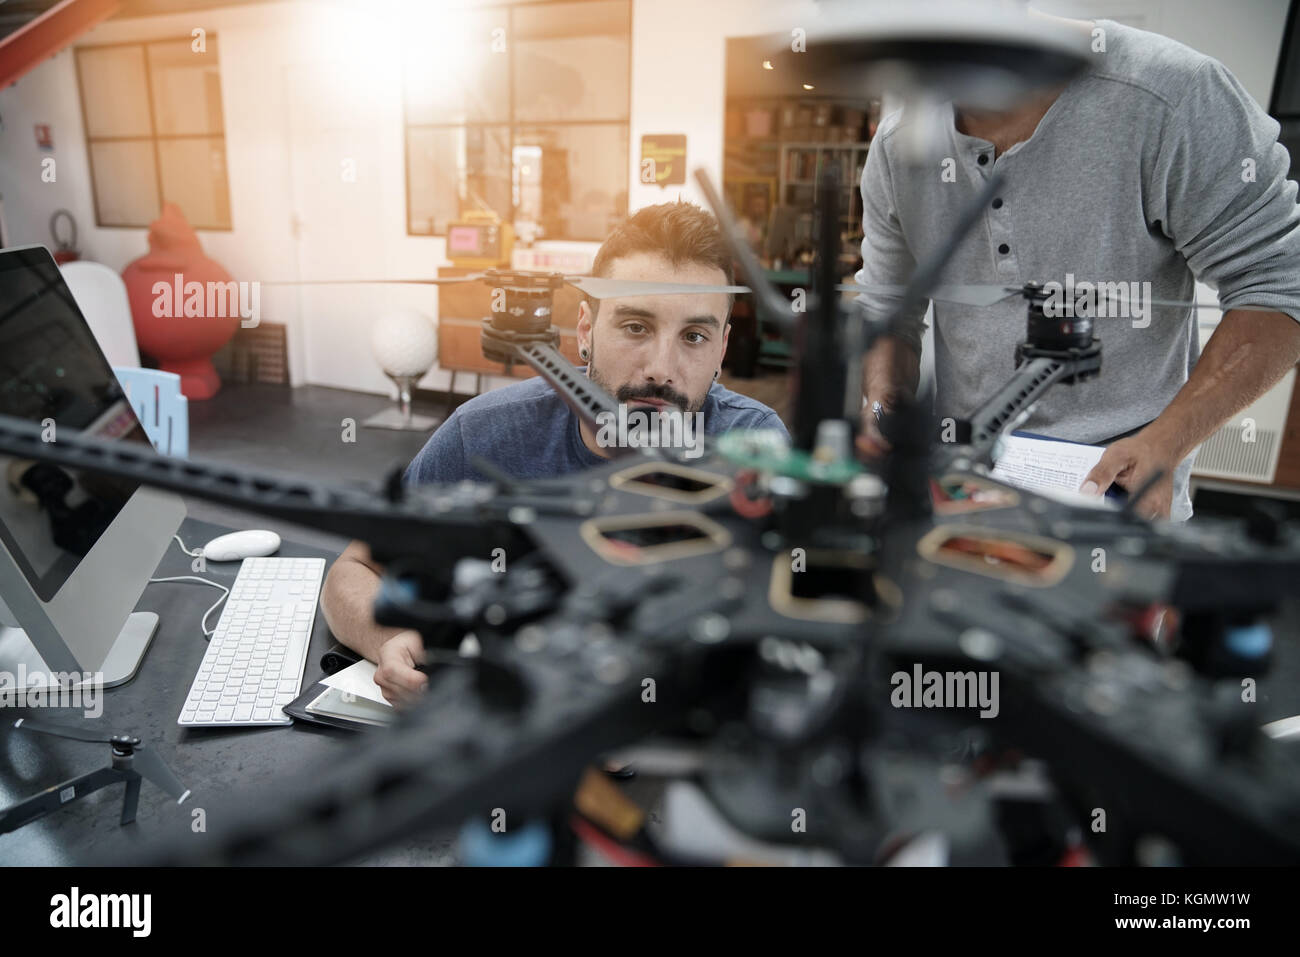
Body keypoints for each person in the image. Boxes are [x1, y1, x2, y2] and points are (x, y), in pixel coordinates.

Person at [321, 201, 787, 705]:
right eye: (635, 327)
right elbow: (354, 570)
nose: (661, 367)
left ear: (721, 350)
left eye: (694, 336)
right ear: (585, 330)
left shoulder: (757, 451)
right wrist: (391, 639)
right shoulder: (483, 434)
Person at [856, 12, 1300, 522]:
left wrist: (1166, 442)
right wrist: (882, 404)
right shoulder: (898, 146)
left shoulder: (1171, 97)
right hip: (963, 481)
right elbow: (888, 309)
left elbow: (1280, 282)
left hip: (1118, 487)